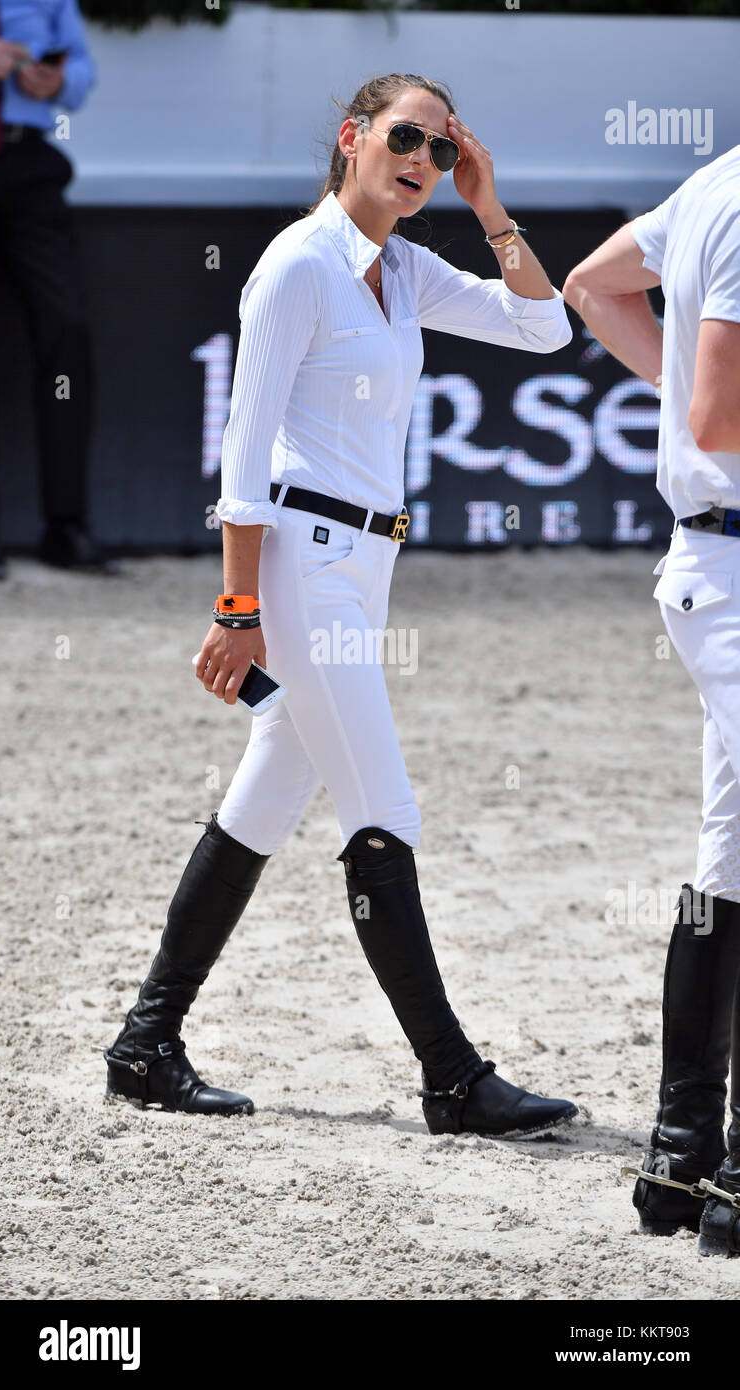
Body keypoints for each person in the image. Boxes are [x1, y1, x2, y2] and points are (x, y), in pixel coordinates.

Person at [104, 71, 578, 1139]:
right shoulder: (297, 265)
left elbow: (545, 332)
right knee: (384, 810)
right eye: (406, 138)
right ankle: (451, 1076)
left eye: (441, 150)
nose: (422, 162)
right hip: (299, 562)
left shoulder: (407, 268)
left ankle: (145, 1042)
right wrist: (236, 606)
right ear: (352, 136)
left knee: (269, 793)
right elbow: (242, 443)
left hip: (365, 565)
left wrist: (490, 210)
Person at [563, 144, 740, 1252]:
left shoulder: (715, 180)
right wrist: (685, 403)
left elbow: (591, 285)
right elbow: (720, 414)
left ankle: (680, 1170)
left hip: (712, 560)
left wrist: (675, 399)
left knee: (730, 855)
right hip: (731, 563)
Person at [0, 0, 111, 580]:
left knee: (67, 331)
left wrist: (58, 79)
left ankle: (66, 524)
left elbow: (81, 71)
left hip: (24, 161)